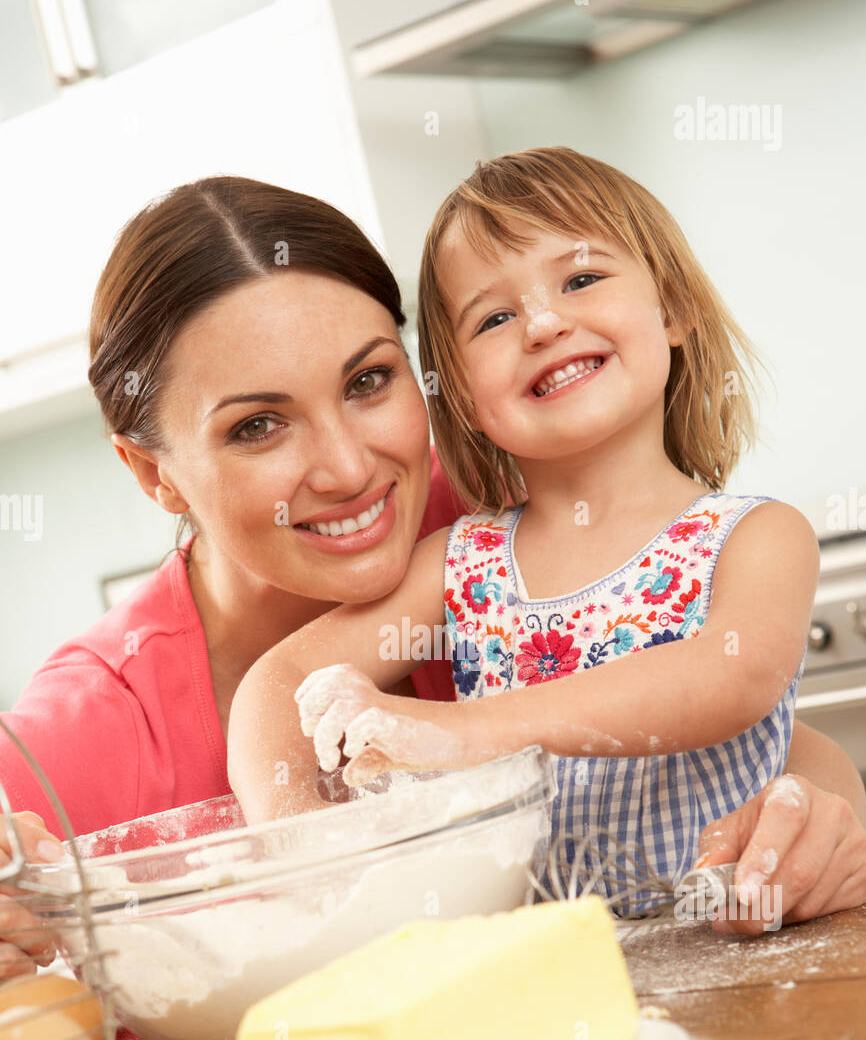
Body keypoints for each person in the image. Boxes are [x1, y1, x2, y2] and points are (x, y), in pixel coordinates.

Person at [0, 175, 864, 986]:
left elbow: (719, 694)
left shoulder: (487, 506)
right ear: (155, 475)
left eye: (369, 381)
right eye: (258, 426)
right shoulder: (73, 740)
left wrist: (816, 807)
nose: (346, 468)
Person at [226, 149, 866, 925]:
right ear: (458, 397)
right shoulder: (462, 565)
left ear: (670, 310)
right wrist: (310, 863)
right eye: (494, 318)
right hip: (552, 978)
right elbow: (277, 683)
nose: (543, 322)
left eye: (582, 279)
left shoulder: (756, 536)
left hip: (745, 953)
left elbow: (729, 681)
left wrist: (459, 732)